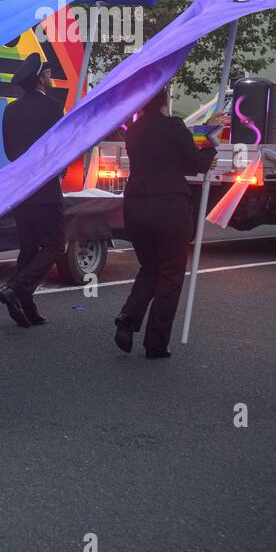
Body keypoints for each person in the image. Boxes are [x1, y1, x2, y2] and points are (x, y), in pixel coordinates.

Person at [114, 86, 217, 359]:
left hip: (135, 205)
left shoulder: (133, 131)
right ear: (165, 100)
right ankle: (156, 343)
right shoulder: (174, 126)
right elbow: (193, 163)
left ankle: (128, 317)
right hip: (168, 206)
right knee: (170, 275)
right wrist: (209, 153)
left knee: (150, 268)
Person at [0, 54, 66, 328]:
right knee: (54, 244)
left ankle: (27, 308)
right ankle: (16, 287)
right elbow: (58, 147)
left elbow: (9, 151)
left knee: (28, 246)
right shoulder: (52, 107)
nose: (50, 75)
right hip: (45, 185)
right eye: (47, 71)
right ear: (39, 77)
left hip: (20, 186)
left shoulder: (10, 110)